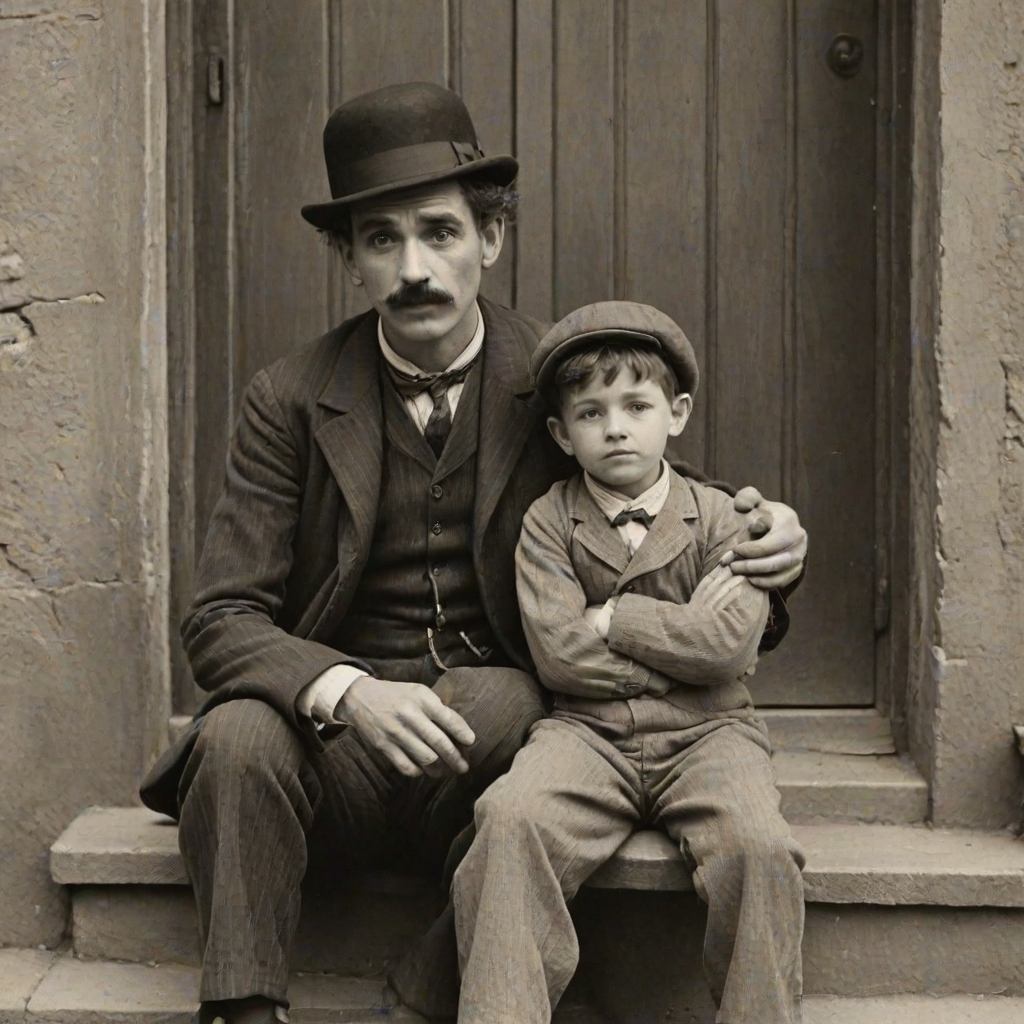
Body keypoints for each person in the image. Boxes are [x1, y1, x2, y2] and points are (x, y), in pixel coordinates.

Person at [139, 83, 808, 1024]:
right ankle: (244, 1004)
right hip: (334, 751)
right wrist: (349, 692)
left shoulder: (557, 378)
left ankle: (428, 985)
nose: (415, 268)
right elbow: (218, 621)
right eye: (382, 240)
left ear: (489, 240)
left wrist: (774, 546)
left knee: (519, 703)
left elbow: (667, 515)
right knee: (235, 732)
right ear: (351, 261)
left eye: (441, 233)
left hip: (486, 748)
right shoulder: (287, 398)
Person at [453, 301, 805, 1024]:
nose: (615, 426)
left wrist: (617, 618)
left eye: (636, 405)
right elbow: (558, 656)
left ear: (675, 414)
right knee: (510, 819)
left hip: (711, 735)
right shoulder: (549, 522)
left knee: (760, 846)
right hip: (588, 734)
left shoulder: (724, 516)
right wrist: (687, 651)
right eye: (590, 412)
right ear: (561, 433)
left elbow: (730, 646)